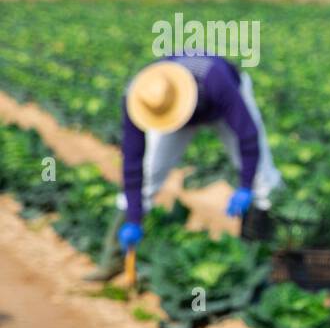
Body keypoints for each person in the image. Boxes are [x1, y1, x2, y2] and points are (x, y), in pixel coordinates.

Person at [86, 52, 282, 280]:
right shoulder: (140, 96)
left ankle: (258, 263)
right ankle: (114, 258)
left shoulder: (218, 82)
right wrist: (133, 218)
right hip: (175, 108)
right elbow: (132, 160)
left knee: (264, 179)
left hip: (216, 100)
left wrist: (246, 185)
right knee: (150, 175)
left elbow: (248, 135)